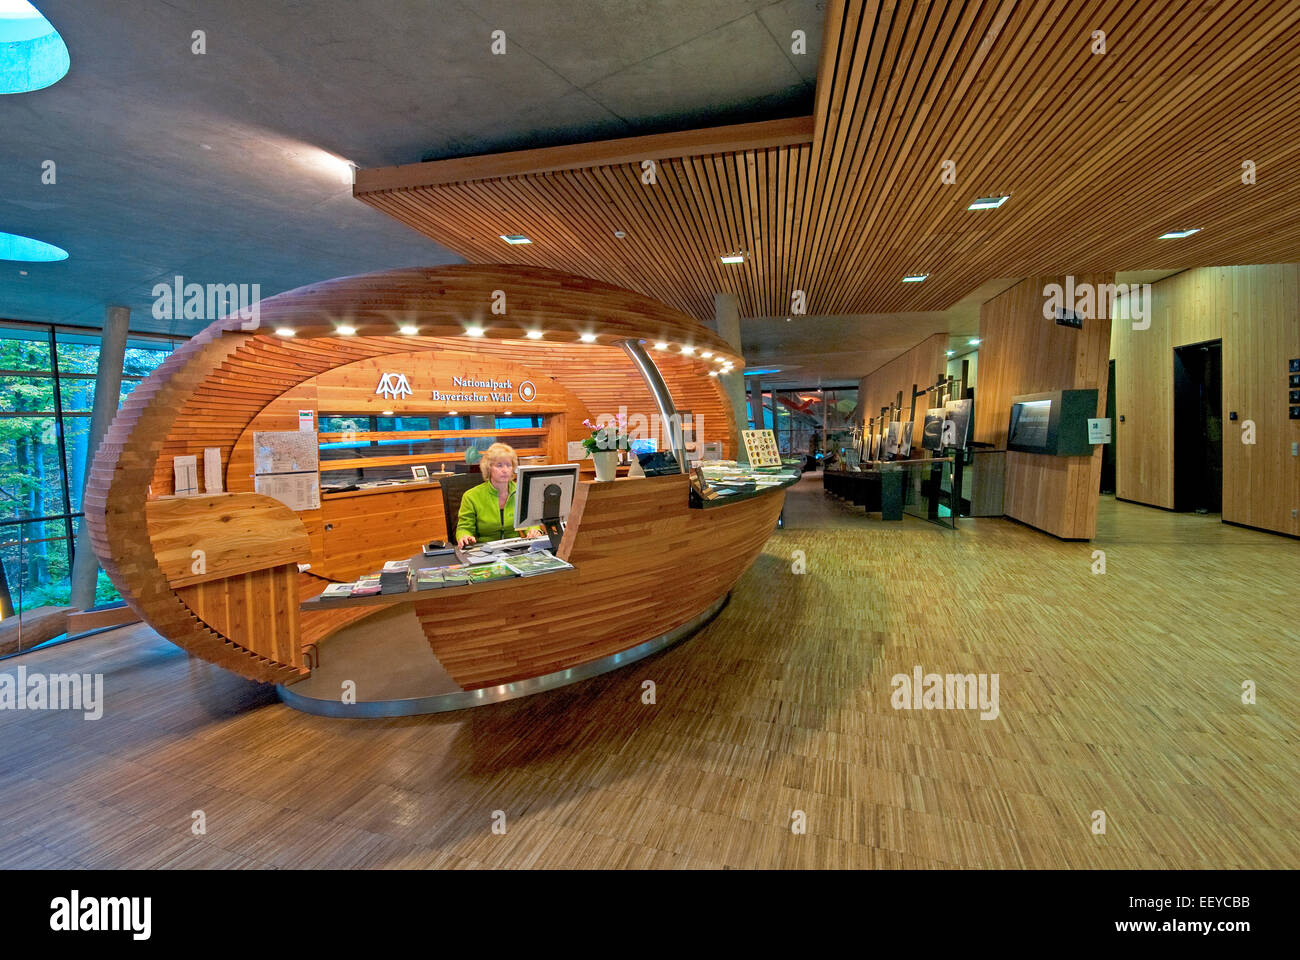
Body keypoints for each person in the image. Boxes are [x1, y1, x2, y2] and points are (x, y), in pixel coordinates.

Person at [454, 442, 545, 549]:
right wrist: (465, 536)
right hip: (484, 550)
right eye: (499, 465)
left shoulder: (522, 491)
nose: (505, 470)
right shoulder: (471, 496)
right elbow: (464, 528)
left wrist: (533, 531)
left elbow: (530, 523)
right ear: (489, 468)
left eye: (508, 465)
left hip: (515, 549)